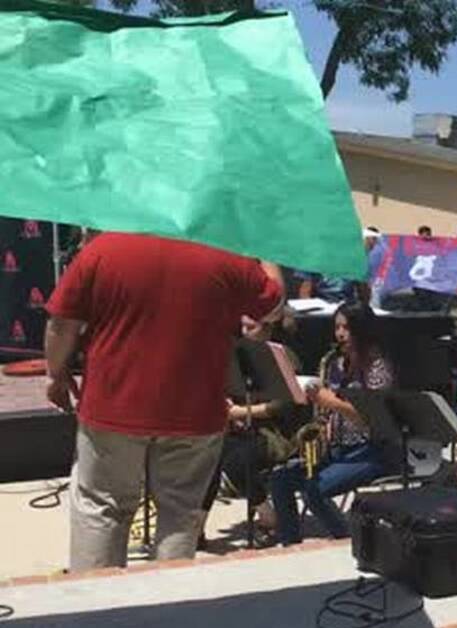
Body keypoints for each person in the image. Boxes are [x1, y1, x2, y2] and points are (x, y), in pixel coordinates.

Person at [44, 232, 283, 570]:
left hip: (114, 405)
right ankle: (169, 598)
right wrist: (265, 246)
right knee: (180, 513)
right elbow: (273, 308)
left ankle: (97, 599)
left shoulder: (103, 250)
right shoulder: (225, 253)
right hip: (195, 412)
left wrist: (56, 374)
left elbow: (61, 325)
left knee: (102, 509)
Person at [269, 301, 393, 545]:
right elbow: (326, 408)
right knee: (280, 479)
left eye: (347, 328)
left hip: (371, 451)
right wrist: (321, 420)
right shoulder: (334, 363)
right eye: (337, 327)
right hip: (337, 450)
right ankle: (289, 542)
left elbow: (375, 421)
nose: (340, 334)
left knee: (313, 489)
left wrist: (333, 403)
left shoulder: (378, 368)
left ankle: (347, 539)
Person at [200, 314, 306, 544]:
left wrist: (240, 412)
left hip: (277, 433)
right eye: (243, 327)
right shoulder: (238, 354)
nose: (245, 332)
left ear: (268, 328)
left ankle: (269, 517)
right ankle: (197, 526)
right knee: (209, 454)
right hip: (245, 428)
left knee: (238, 460)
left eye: (251, 327)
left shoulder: (283, 356)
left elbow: (283, 405)